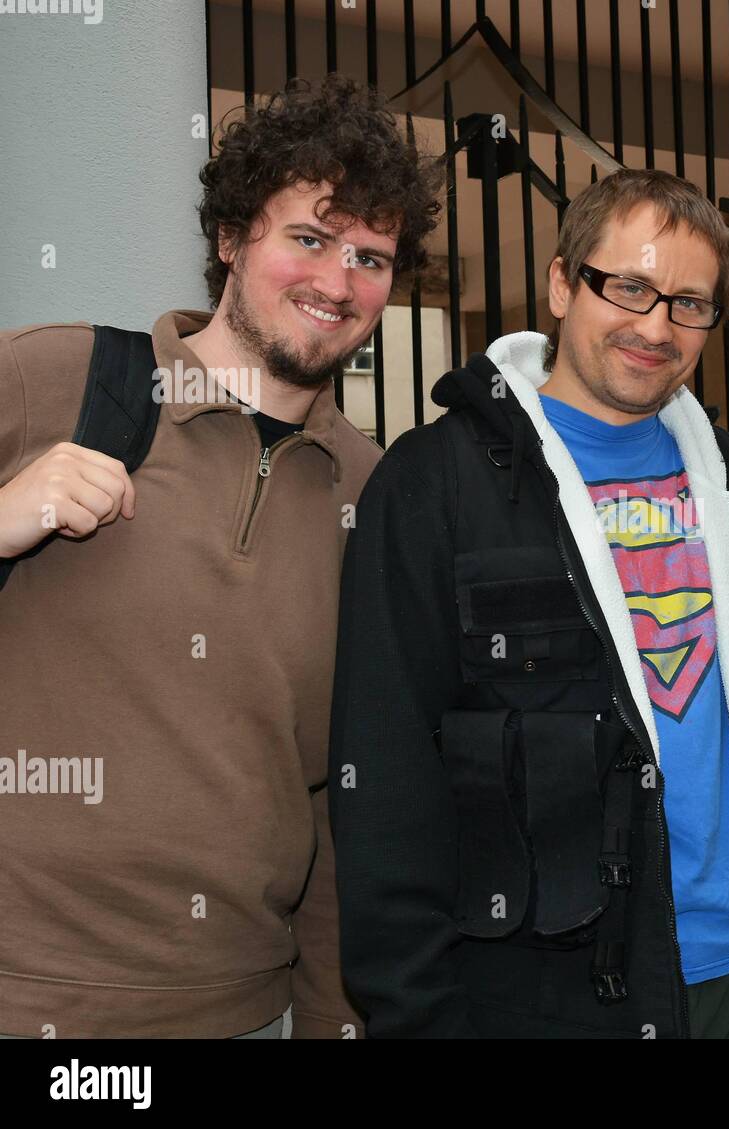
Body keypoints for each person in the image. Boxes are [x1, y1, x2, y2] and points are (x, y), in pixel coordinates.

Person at [329, 168, 729, 1038]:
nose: (655, 325)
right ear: (562, 284)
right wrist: (413, 1012)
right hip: (546, 997)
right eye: (628, 286)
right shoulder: (433, 483)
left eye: (688, 302)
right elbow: (384, 774)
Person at [0, 75, 441, 1038]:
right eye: (311, 238)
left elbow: (342, 801)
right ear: (232, 238)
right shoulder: (57, 378)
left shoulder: (377, 495)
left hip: (242, 1010)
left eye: (372, 257)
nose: (339, 281)